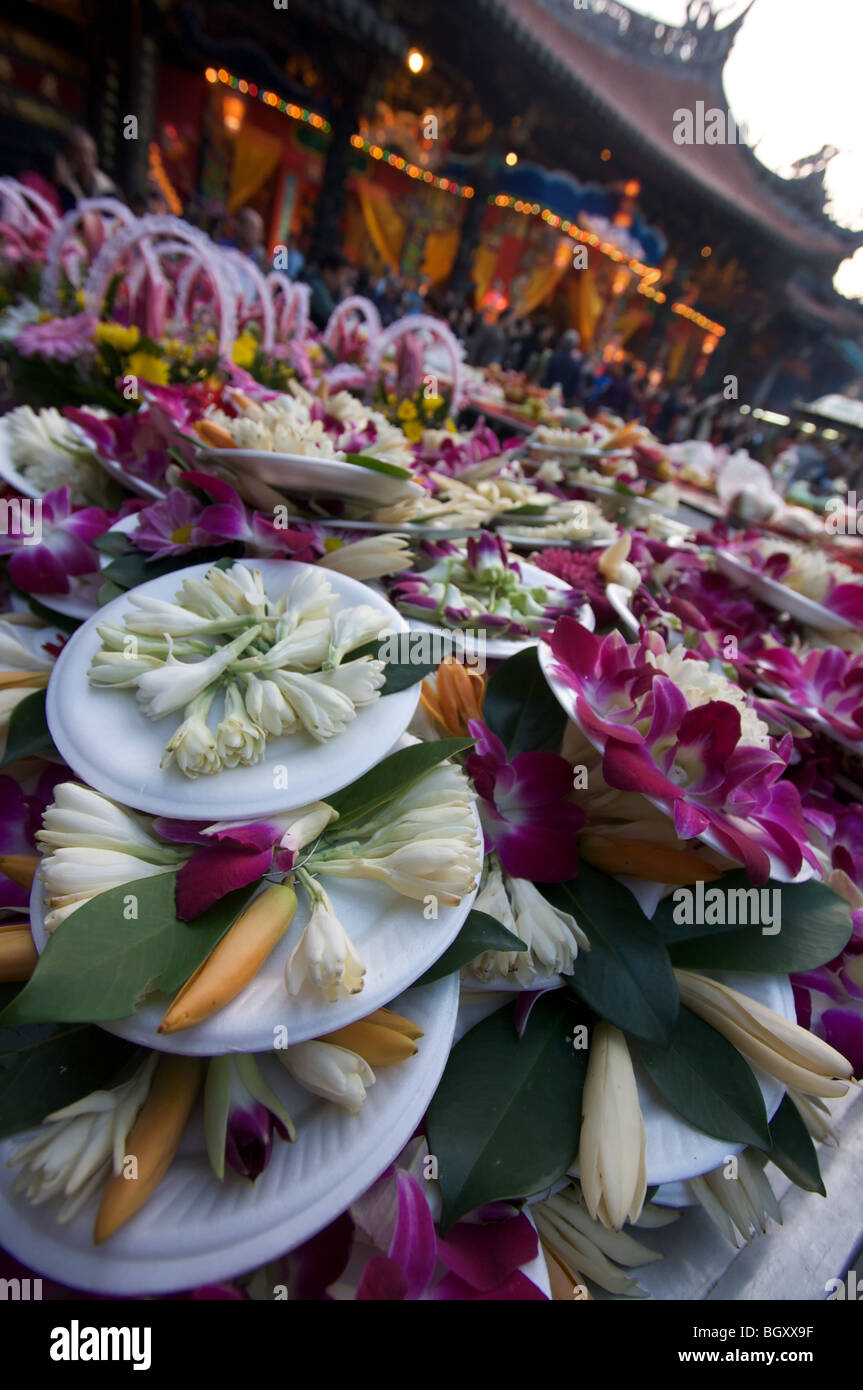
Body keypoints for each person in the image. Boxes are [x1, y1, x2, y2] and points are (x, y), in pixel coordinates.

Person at [54, 126, 118, 210]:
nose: (86, 160)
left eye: (90, 154)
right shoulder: (62, 186)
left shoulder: (108, 189)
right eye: (80, 154)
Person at [300, 249, 354, 330]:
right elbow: (333, 317)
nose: (343, 280)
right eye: (341, 274)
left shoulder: (333, 290)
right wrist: (346, 301)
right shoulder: (315, 286)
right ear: (327, 271)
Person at [542, 330, 583, 406]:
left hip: (544, 396)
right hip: (561, 402)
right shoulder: (575, 365)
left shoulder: (553, 357)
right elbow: (574, 388)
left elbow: (544, 377)